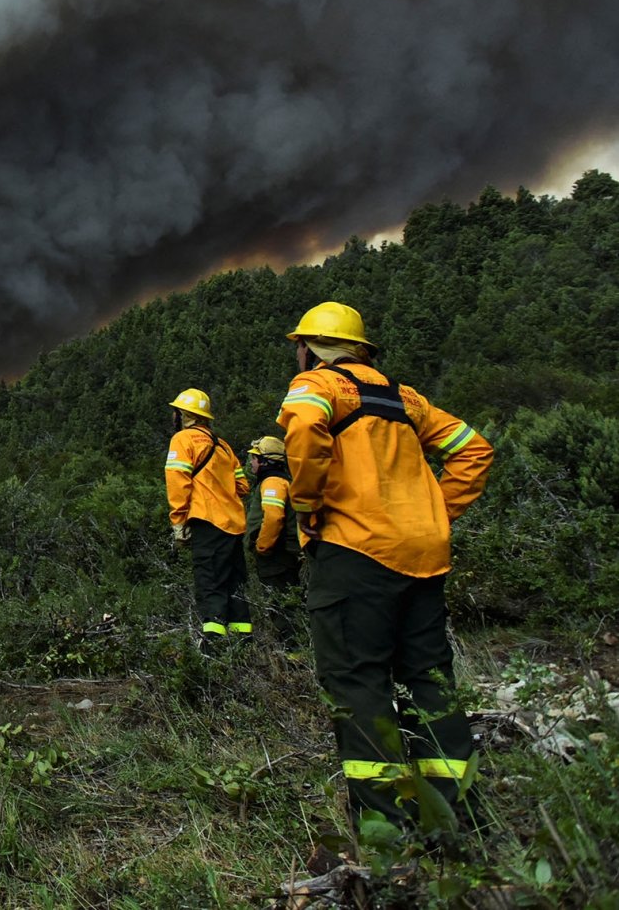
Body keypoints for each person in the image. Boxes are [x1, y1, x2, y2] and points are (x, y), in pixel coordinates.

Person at [276, 301, 494, 840]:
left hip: (355, 553)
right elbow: (474, 450)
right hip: (424, 557)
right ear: (361, 349)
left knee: (357, 683)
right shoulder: (406, 398)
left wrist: (307, 505)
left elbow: (302, 426)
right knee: (430, 680)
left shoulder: (318, 387)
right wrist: (437, 511)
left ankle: (387, 831)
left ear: (311, 348)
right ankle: (457, 819)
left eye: (299, 346)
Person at [164, 388, 252, 646]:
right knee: (235, 583)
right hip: (233, 525)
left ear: (183, 415)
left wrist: (179, 523)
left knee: (209, 581)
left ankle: (214, 645)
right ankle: (243, 641)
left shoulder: (183, 440)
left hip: (207, 521)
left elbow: (178, 482)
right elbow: (243, 486)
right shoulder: (222, 445)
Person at [247, 436, 305, 650]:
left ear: (266, 461)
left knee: (281, 606)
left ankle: (294, 655)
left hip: (276, 556)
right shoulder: (282, 480)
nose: (251, 462)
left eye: (255, 458)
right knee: (288, 602)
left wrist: (262, 548)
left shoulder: (272, 482)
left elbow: (273, 517)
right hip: (284, 555)